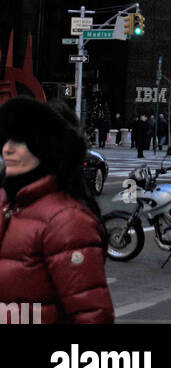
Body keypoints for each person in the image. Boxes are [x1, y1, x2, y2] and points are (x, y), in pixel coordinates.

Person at [0, 97, 113, 324]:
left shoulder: (67, 221)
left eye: (20, 142)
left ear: (44, 149)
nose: (7, 149)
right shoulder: (6, 203)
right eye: (6, 140)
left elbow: (91, 315)